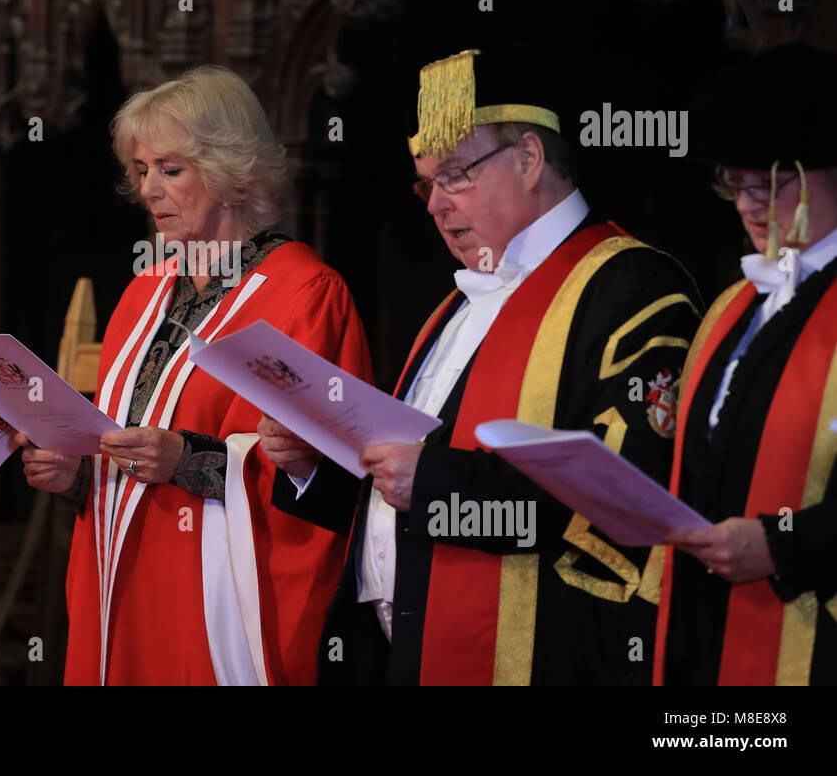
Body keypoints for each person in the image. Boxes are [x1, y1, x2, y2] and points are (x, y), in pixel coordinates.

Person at [309, 47, 702, 684]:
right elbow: (397, 491)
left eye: (456, 175)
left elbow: (629, 503)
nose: (435, 205)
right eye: (426, 183)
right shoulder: (455, 305)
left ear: (528, 159)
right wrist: (312, 469)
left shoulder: (634, 290)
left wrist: (436, 482)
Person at [10, 65, 373, 684]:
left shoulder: (305, 292)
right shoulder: (145, 291)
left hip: (219, 603)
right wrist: (75, 472)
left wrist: (185, 460)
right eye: (141, 170)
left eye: (171, 170)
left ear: (232, 174)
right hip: (120, 583)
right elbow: (118, 447)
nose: (150, 189)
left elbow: (329, 474)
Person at [655, 43, 837, 685]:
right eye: (734, 184)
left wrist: (785, 545)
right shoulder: (736, 304)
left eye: (770, 181)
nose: (748, 205)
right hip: (708, 627)